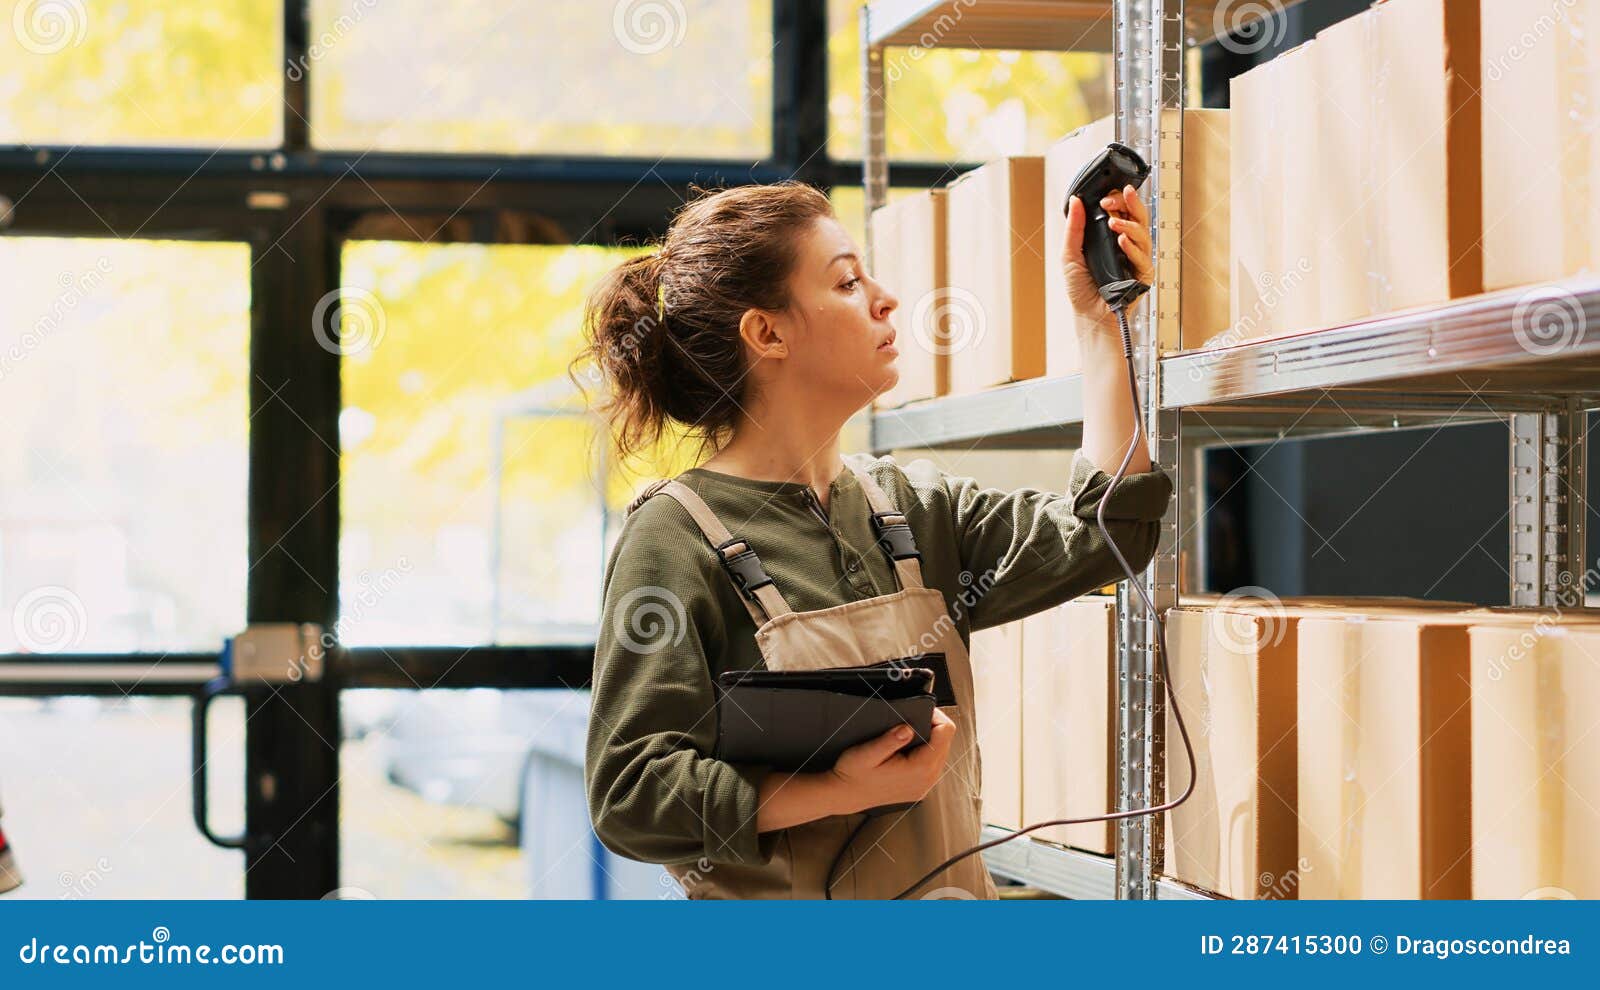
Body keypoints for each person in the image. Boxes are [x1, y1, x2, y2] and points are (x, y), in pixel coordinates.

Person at [579, 179, 1171, 899]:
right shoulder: (674, 537)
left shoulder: (914, 507)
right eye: (848, 281)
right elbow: (630, 792)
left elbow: (1106, 532)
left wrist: (1101, 323)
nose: (885, 300)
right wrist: (831, 789)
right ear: (768, 333)